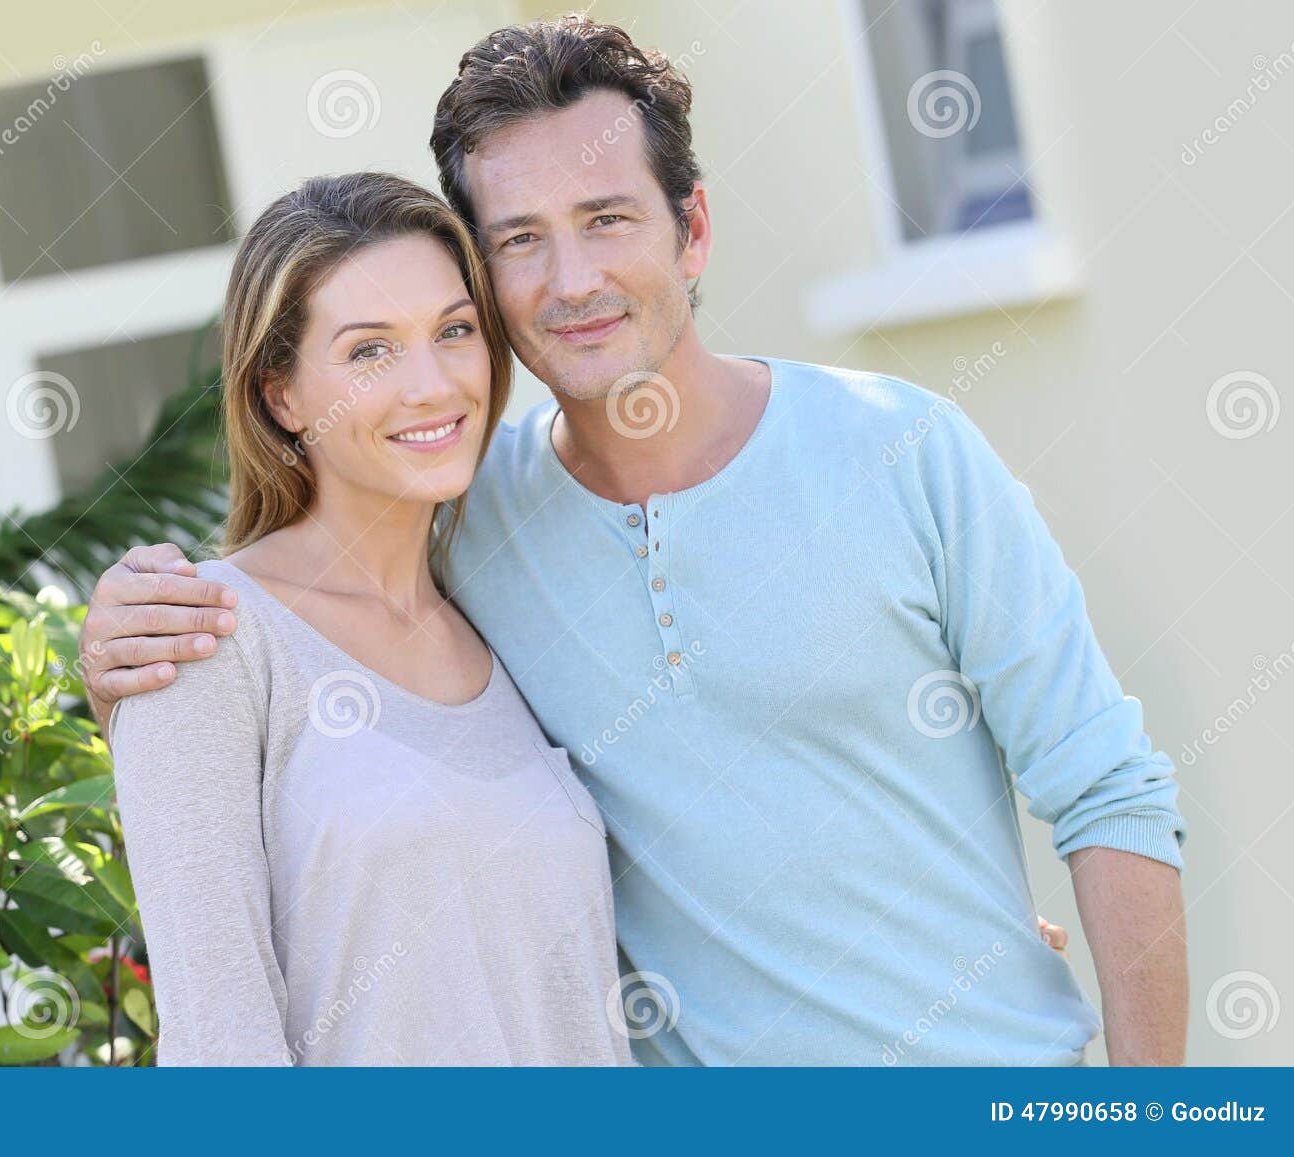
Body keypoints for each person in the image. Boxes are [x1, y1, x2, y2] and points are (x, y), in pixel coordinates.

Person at [86, 15, 1184, 1066]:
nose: (571, 282)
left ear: (691, 227)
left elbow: (1107, 790)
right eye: (520, 240)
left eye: (606, 218)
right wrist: (126, 657)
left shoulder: (907, 452)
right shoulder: (475, 524)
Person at [110, 171, 632, 1066]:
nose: (432, 385)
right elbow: (217, 1046)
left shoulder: (498, 615)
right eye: (369, 352)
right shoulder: (203, 639)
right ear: (281, 396)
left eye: (454, 331)